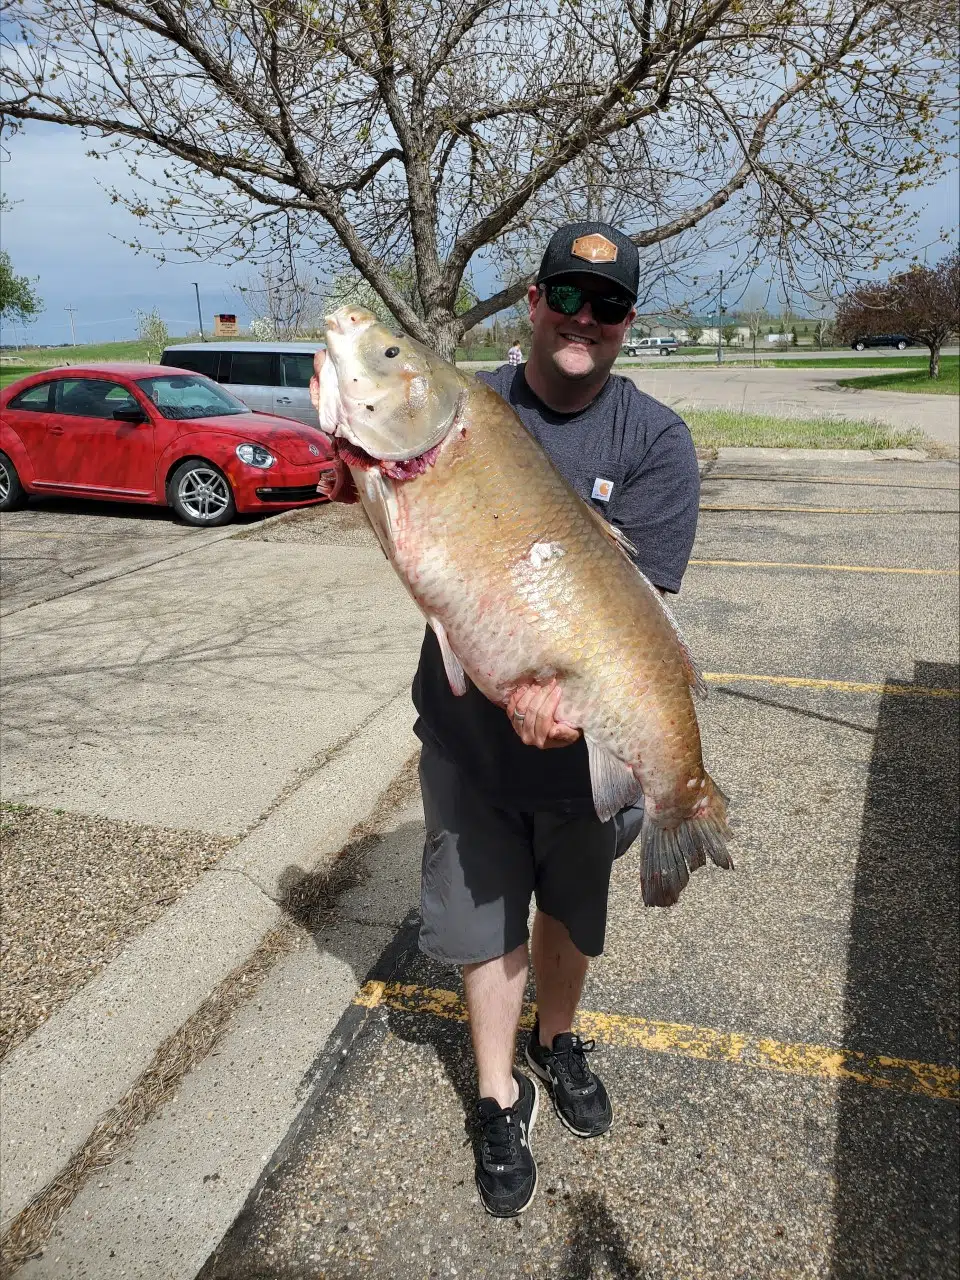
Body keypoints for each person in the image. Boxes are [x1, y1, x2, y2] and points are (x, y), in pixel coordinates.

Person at [313, 221, 701, 1219]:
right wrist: (356, 467)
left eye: (606, 305)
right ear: (532, 301)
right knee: (485, 919)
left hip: (583, 746)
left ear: (626, 324)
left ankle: (556, 1035)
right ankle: (497, 1092)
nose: (583, 318)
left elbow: (642, 610)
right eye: (565, 295)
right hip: (467, 737)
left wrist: (587, 717)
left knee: (570, 911)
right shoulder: (465, 409)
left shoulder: (654, 441)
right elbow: (415, 550)